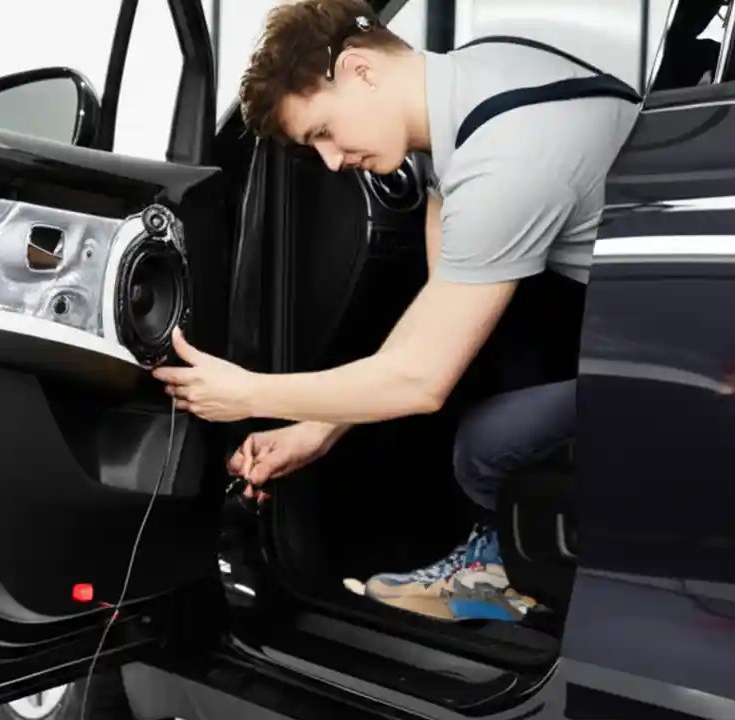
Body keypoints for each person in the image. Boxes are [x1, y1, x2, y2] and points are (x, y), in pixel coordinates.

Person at [151, 0, 640, 620]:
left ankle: (506, 576)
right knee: (509, 351)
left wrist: (250, 393)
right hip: (662, 327)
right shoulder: (475, 86)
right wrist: (317, 430)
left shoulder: (504, 157)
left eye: (323, 132)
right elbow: (440, 310)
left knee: (485, 447)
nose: (331, 161)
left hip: (699, 371)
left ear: (360, 70)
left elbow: (422, 378)